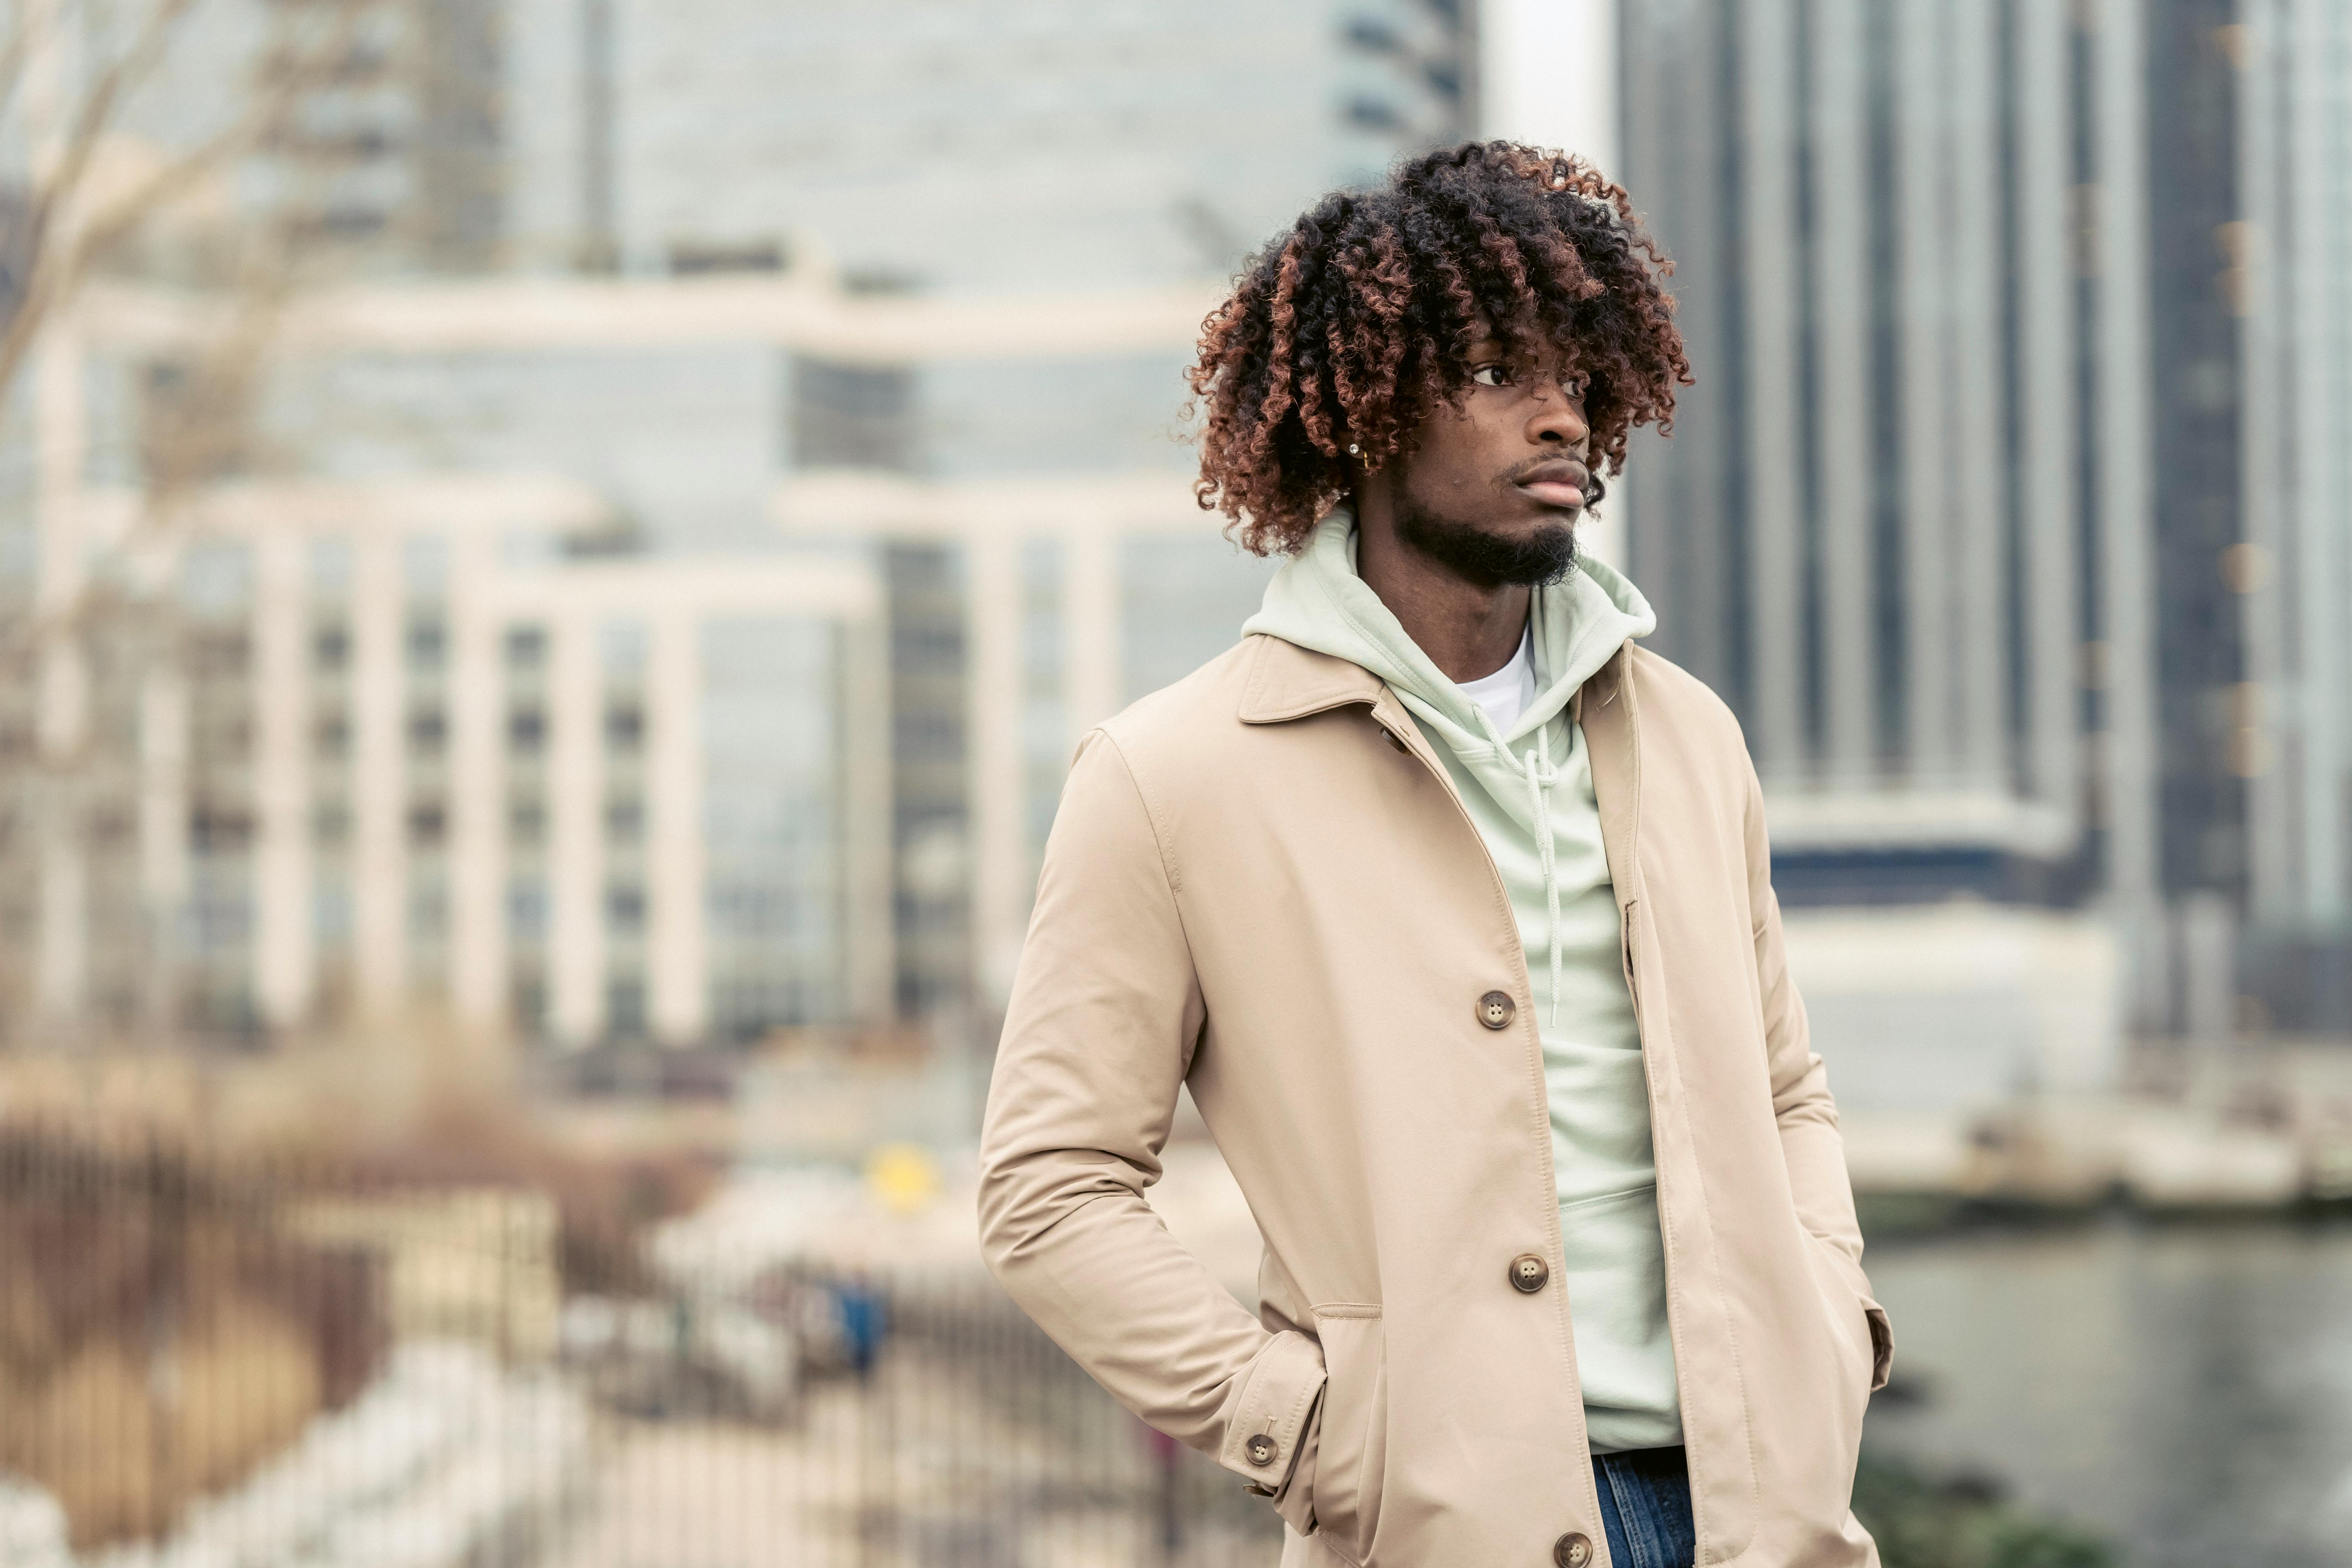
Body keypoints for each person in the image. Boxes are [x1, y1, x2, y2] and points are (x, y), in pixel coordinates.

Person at [977, 141, 1893, 1568]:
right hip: (1440, 1532)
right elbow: (1051, 1188)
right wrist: (1303, 1423)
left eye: (1580, 377)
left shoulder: (1691, 736)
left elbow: (1788, 1089)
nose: (1560, 417)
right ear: (1359, 416)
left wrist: (1830, 1318)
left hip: (1760, 1514)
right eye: (1493, 373)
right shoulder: (1170, 778)